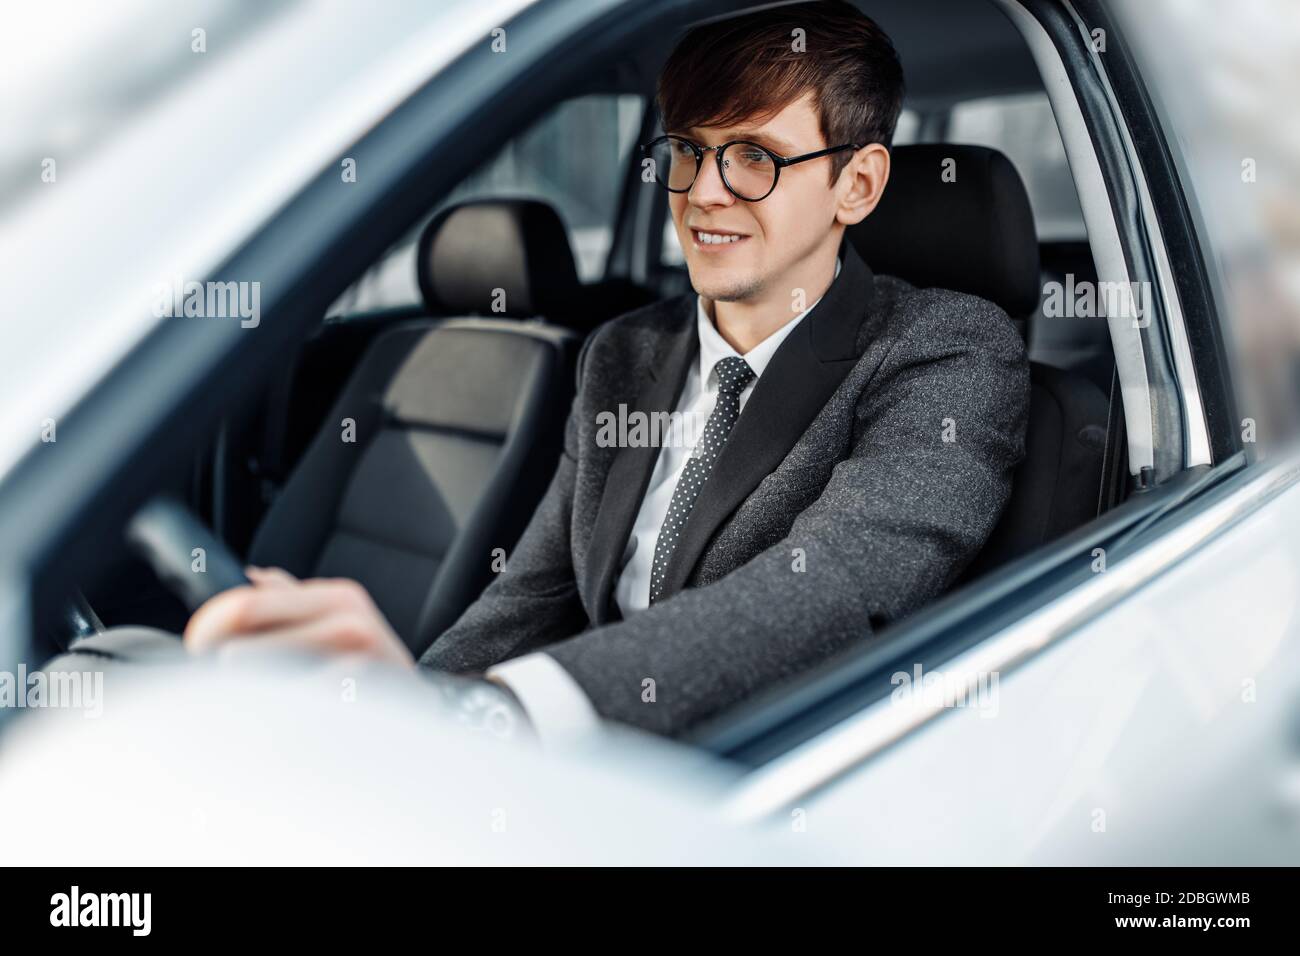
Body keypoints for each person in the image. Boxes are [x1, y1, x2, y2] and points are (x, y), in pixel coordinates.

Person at [186, 0, 1029, 741]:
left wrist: (501, 715)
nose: (703, 194)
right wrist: (413, 722)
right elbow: (528, 598)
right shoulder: (624, 353)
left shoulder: (945, 350)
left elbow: (837, 587)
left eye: (755, 159)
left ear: (857, 183)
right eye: (690, 152)